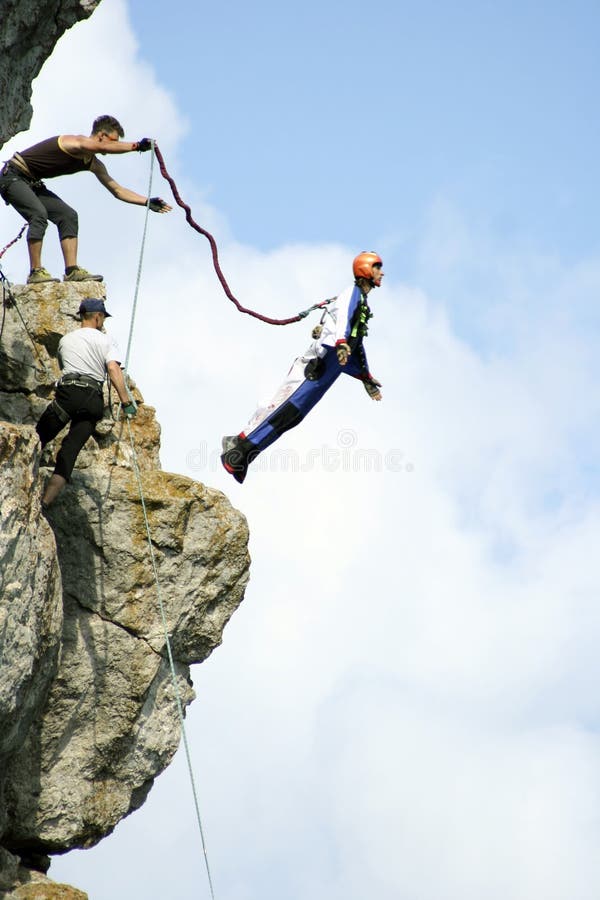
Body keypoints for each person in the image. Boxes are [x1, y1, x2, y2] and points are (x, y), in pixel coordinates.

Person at [221, 251, 385, 484]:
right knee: (281, 411)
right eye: (378, 268)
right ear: (366, 269)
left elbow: (356, 344)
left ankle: (242, 454)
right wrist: (340, 342)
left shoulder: (361, 304)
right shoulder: (351, 294)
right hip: (314, 369)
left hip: (324, 377)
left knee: (290, 419)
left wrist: (365, 377)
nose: (382, 273)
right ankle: (237, 451)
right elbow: (342, 322)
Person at [0, 115, 172, 284]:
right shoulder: (76, 142)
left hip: (31, 183)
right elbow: (100, 146)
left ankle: (72, 271)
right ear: (101, 136)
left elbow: (118, 190)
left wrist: (146, 201)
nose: (114, 146)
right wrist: (137, 146)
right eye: (114, 141)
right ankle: (36, 272)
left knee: (68, 215)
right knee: (39, 215)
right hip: (13, 176)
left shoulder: (94, 164)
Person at [36, 297, 137, 508]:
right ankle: (45, 502)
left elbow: (65, 367)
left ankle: (18, 469)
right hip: (92, 400)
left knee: (39, 436)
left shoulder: (66, 340)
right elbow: (113, 369)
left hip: (68, 394)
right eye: (103, 318)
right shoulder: (106, 340)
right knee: (70, 451)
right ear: (98, 317)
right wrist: (126, 402)